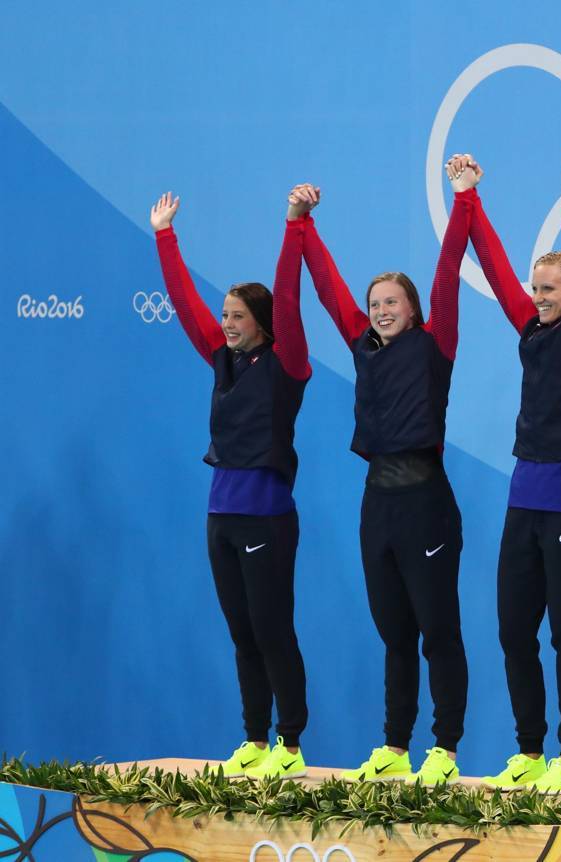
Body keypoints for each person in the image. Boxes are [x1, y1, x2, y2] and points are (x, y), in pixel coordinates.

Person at [295, 161, 476, 785]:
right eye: (374, 304)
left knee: (437, 631)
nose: (380, 310)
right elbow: (328, 290)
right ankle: (396, 746)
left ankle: (444, 749)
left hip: (427, 504)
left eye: (392, 301)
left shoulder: (436, 342)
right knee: (395, 635)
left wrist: (463, 199)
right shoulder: (362, 347)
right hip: (378, 507)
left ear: (415, 308)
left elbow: (448, 270)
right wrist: (302, 226)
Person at [453, 153, 561, 793]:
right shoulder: (530, 329)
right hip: (524, 502)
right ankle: (529, 749)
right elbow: (496, 270)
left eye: (550, 288)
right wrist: (469, 198)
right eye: (537, 287)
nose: (539, 296)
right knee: (514, 631)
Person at [150, 188, 313, 780]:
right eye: (225, 316)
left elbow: (288, 296)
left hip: (266, 514)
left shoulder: (288, 362)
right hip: (220, 516)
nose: (226, 324)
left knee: (272, 630)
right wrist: (165, 236)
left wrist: (293, 227)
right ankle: (254, 737)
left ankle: (289, 744)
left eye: (238, 316)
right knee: (243, 633)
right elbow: (184, 302)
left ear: (263, 323)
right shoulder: (222, 358)